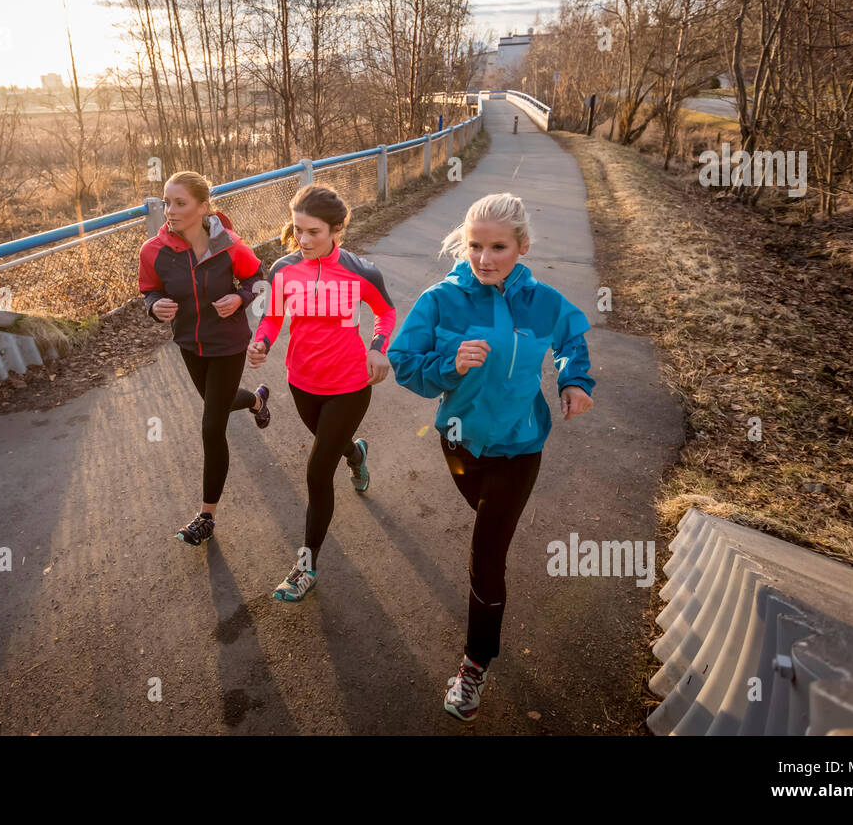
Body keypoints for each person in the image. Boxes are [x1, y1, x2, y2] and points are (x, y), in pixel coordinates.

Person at [388, 192, 595, 722]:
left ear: (521, 247)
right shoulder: (441, 299)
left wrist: (573, 381)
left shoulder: (543, 301)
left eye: (498, 247)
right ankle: (494, 533)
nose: (484, 258)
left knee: (487, 552)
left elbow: (573, 338)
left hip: (521, 446)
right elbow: (405, 362)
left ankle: (475, 664)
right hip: (459, 443)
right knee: (485, 520)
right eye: (475, 245)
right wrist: (448, 364)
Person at [248, 185, 397, 602]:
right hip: (302, 380)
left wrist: (377, 348)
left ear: (337, 230)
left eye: (313, 232)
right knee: (330, 445)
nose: (304, 240)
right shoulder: (283, 269)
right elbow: (272, 316)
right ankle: (357, 455)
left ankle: (305, 564)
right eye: (298, 230)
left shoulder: (361, 271)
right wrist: (262, 342)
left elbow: (386, 312)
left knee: (317, 471)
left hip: (351, 383)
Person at [138, 171, 271, 546]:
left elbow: (257, 279)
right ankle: (258, 399)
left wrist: (241, 299)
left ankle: (206, 516)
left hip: (228, 344)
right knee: (222, 403)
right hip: (189, 344)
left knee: (212, 426)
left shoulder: (229, 245)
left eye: (180, 203)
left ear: (202, 207)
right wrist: (154, 306)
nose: (170, 211)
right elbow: (148, 289)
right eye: (166, 202)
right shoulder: (154, 251)